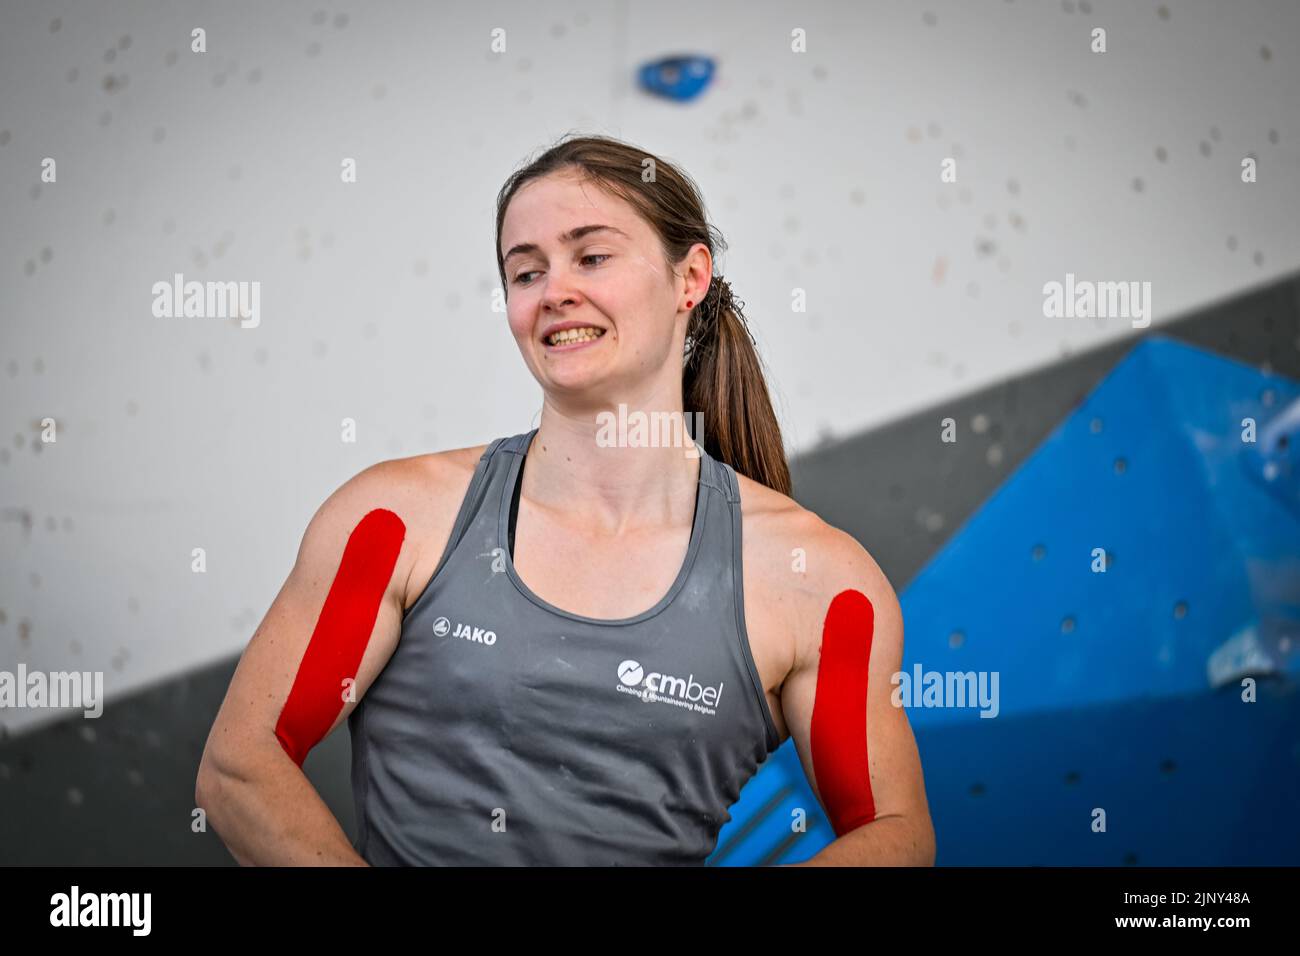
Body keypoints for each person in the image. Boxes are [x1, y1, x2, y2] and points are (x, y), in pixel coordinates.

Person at [196, 133, 935, 866]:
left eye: (592, 256)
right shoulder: (394, 521)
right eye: (525, 272)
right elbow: (240, 767)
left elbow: (898, 832)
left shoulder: (819, 582)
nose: (554, 292)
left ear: (691, 277)